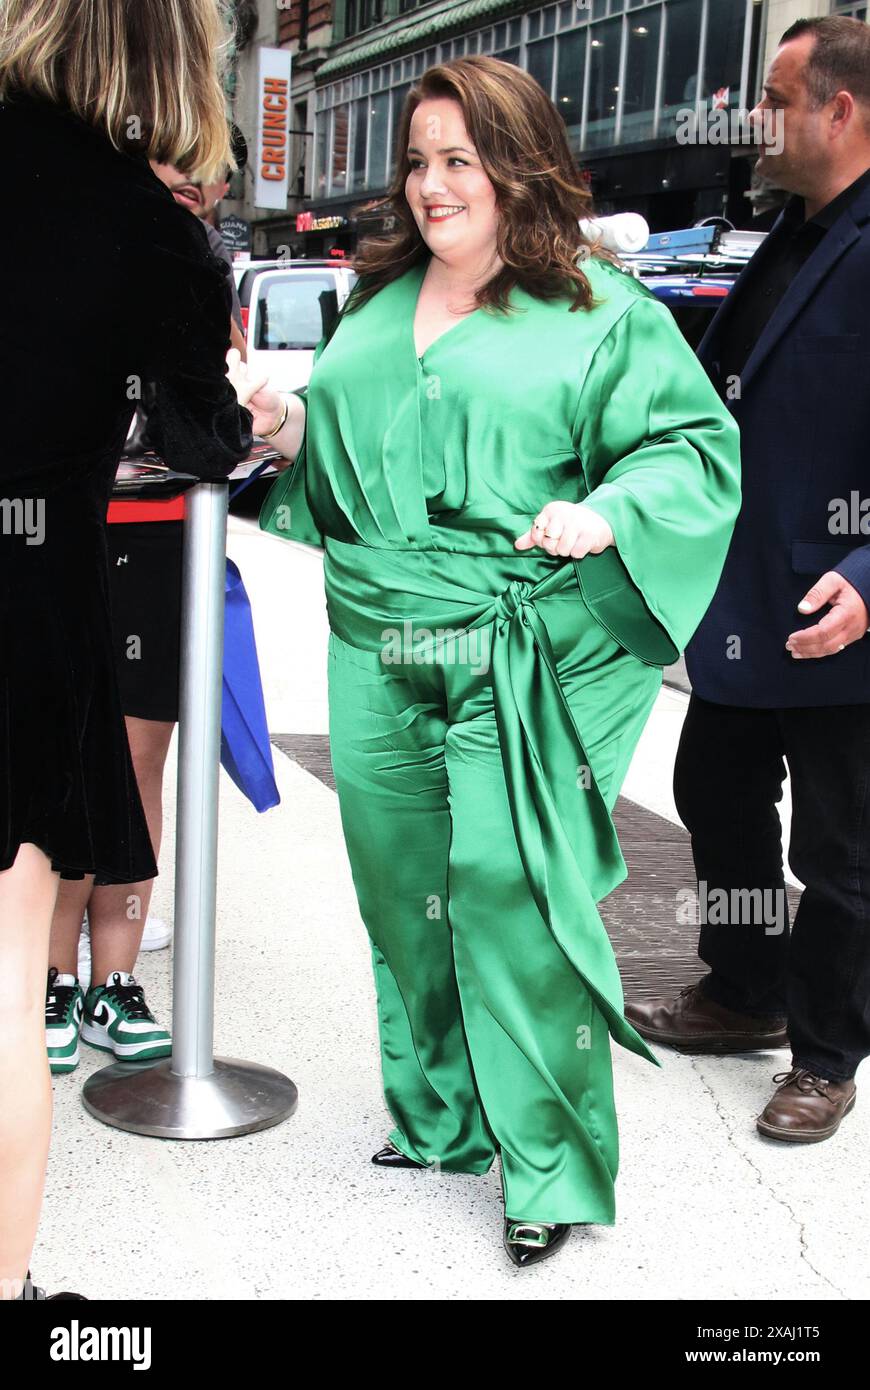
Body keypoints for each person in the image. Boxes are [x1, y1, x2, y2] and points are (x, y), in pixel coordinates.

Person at [229, 54, 742, 1267]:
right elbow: (346, 445)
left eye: (461, 159)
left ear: (522, 166)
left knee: (509, 896)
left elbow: (694, 450)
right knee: (403, 891)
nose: (433, 186)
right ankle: (443, 1118)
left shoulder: (606, 315)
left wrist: (612, 507)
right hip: (375, 636)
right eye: (419, 161)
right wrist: (285, 421)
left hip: (526, 643)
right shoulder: (375, 304)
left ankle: (550, 1166)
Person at [0, 0, 252, 1300]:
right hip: (27, 620)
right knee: (1, 974)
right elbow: (206, 442)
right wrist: (258, 411)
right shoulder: (152, 237)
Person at [626, 16, 870, 1146]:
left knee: (840, 853)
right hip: (745, 605)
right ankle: (746, 987)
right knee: (715, 794)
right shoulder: (788, 236)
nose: (751, 121)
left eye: (773, 99)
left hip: (840, 615)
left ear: (841, 108)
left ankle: (826, 1054)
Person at [45, 142, 250, 1075]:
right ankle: (47, 975)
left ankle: (112, 979)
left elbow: (215, 428)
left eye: (202, 188)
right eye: (173, 181)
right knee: (61, 758)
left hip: (168, 534)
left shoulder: (194, 272)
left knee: (138, 763)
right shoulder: (73, 239)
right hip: (62, 531)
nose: (189, 200)